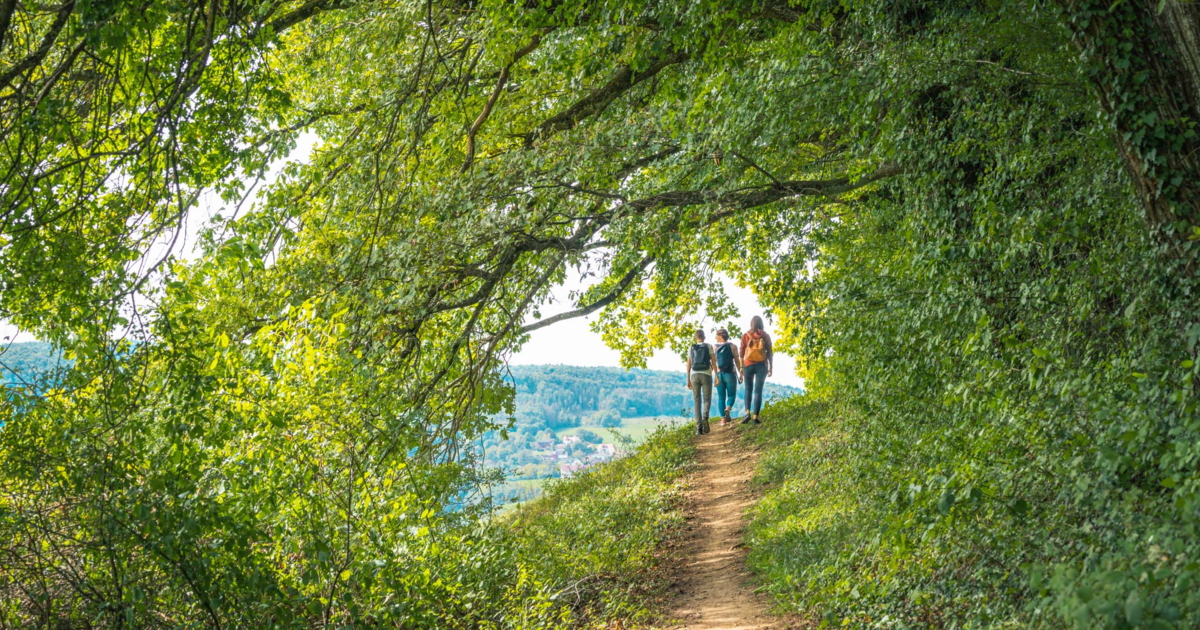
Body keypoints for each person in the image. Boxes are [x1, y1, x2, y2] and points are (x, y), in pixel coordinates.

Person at [739, 316, 773, 424]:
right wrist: (771, 367)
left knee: (748, 389)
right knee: (758, 391)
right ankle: (755, 417)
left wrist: (740, 367)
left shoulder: (745, 336)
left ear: (751, 324)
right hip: (761, 366)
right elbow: (770, 353)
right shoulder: (765, 336)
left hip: (748, 365)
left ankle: (747, 413)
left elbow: (741, 354)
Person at [685, 329, 716, 435]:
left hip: (694, 375)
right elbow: (713, 361)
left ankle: (699, 428)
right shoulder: (708, 346)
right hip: (706, 374)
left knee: (697, 401)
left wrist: (688, 379)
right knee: (707, 399)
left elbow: (688, 364)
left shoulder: (691, 347)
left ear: (695, 338)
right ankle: (705, 417)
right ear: (704, 337)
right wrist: (716, 375)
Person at [713, 328, 743, 426]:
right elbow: (737, 361)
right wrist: (740, 373)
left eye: (716, 335)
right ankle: (728, 408)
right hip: (730, 373)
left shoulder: (715, 347)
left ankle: (723, 420)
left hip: (719, 374)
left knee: (721, 397)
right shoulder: (733, 346)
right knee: (731, 395)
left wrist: (715, 376)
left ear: (720, 336)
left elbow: (712, 363)